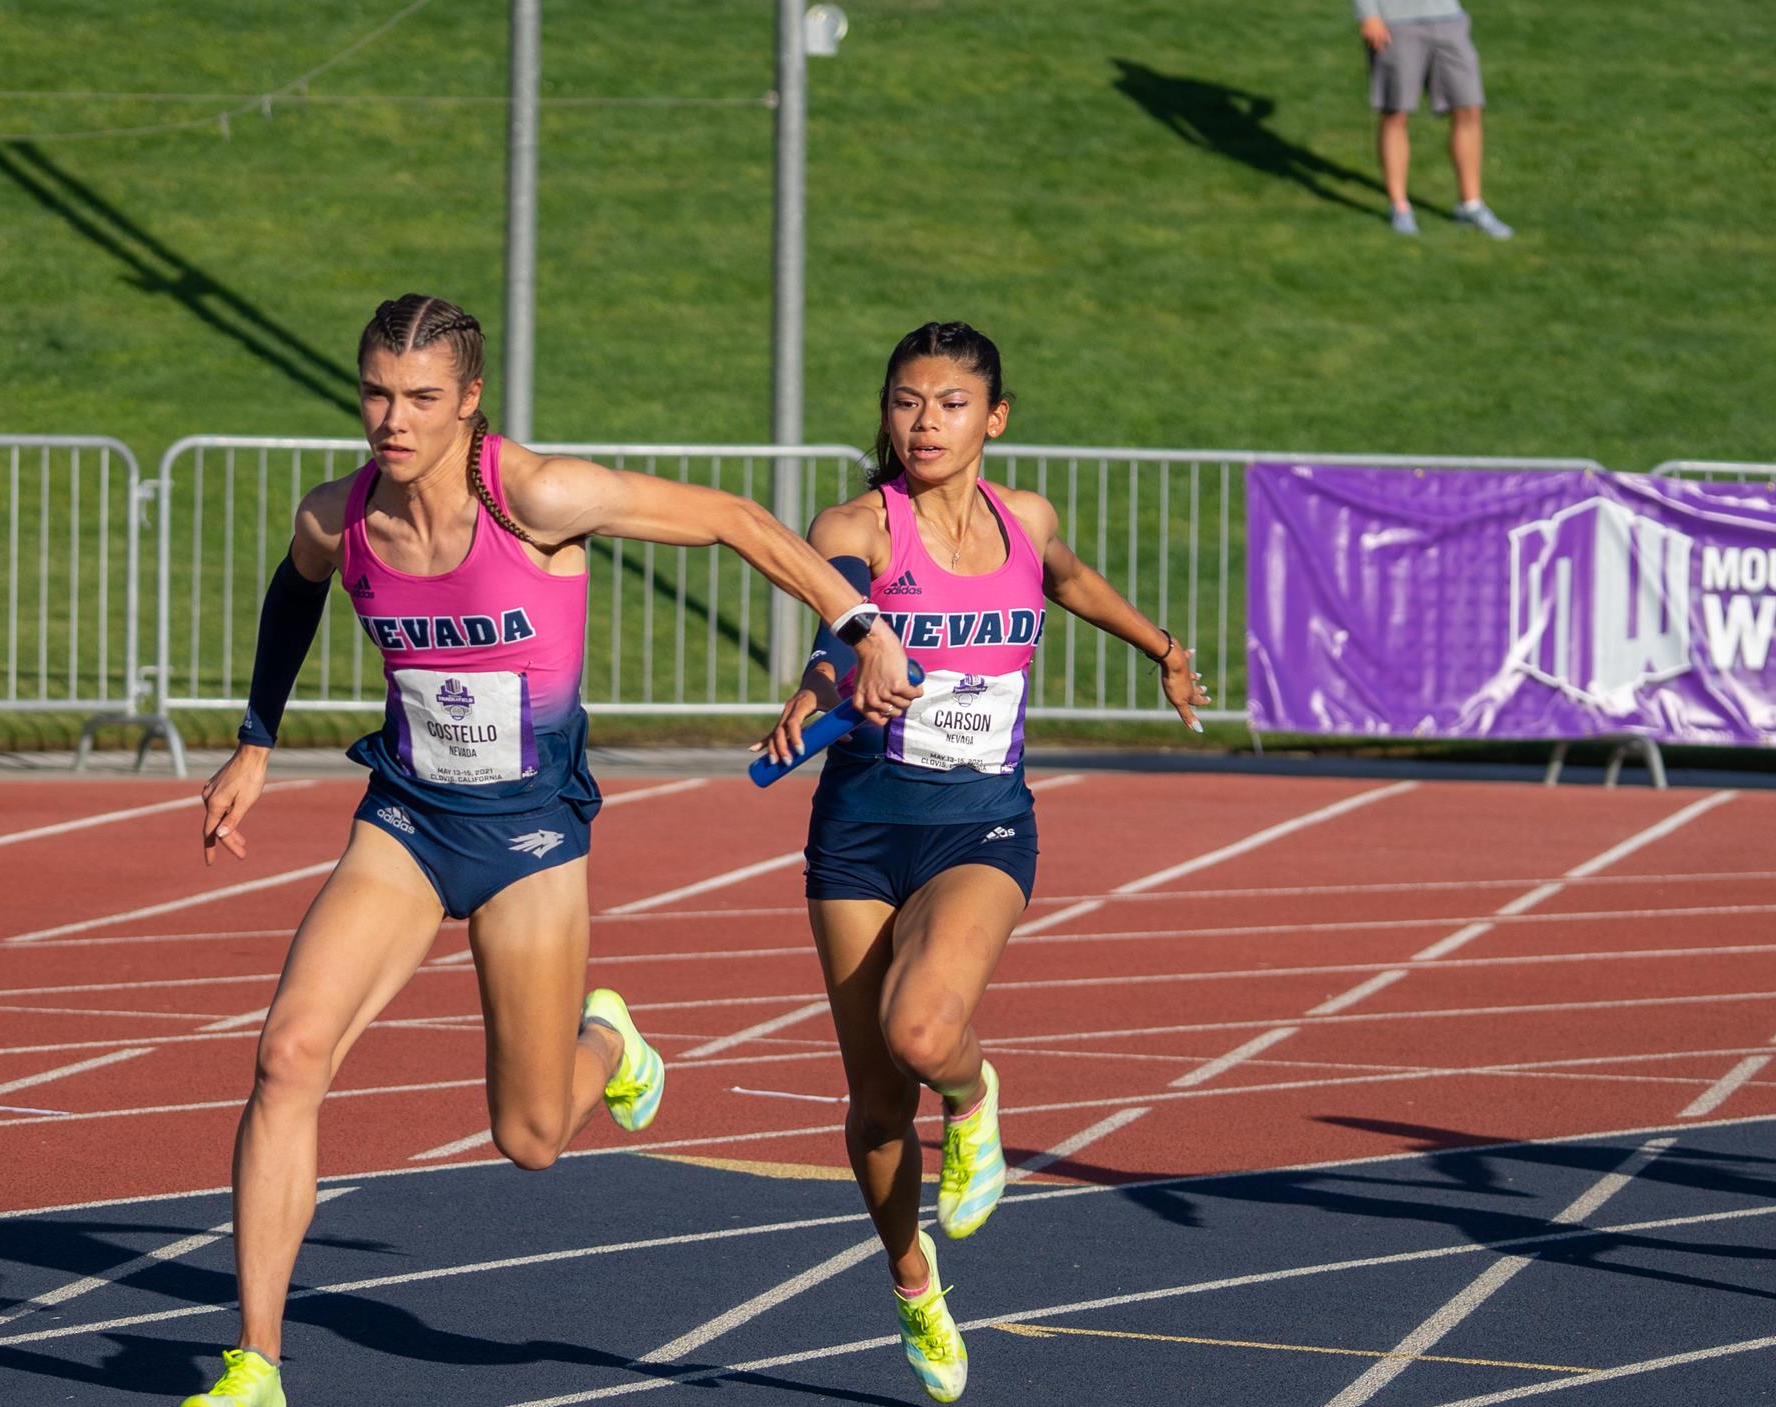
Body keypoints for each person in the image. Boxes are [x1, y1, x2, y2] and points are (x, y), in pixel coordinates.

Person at [178, 294, 917, 1407]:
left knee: (527, 1138)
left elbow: (726, 518)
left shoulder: (536, 497)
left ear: (469, 402)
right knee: (286, 1058)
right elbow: (297, 588)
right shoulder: (341, 515)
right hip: (407, 824)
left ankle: (609, 1048)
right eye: (376, 392)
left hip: (530, 841)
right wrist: (253, 742)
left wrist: (859, 626)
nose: (392, 419)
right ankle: (256, 1366)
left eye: (421, 398)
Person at [754, 322, 1210, 1401]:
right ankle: (915, 1288)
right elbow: (837, 609)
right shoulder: (858, 524)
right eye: (906, 401)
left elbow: (1066, 576)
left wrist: (1160, 649)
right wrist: (827, 681)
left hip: (982, 828)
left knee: (920, 1031)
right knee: (872, 1105)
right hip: (859, 834)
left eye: (950, 403)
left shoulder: (1025, 519)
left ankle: (972, 1096)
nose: (924, 422)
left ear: (993, 418)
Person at [1356, 0, 1511, 238]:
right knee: (1395, 113)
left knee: (1469, 109)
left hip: (1449, 17)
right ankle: (1400, 207)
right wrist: (1368, 14)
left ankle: (1471, 205)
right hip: (1393, 20)